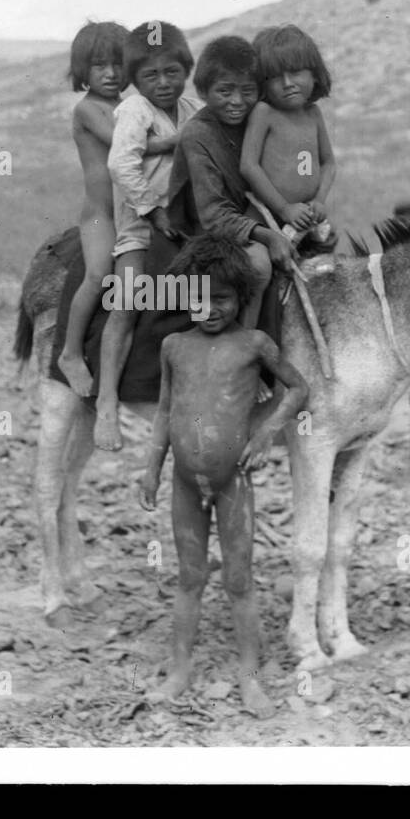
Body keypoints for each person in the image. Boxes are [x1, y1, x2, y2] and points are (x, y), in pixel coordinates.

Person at [138, 234, 309, 719]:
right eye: (199, 297)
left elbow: (298, 389)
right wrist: (151, 469)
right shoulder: (174, 346)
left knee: (239, 582)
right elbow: (166, 410)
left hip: (233, 482)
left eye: (222, 299)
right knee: (189, 578)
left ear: (241, 298)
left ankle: (251, 679)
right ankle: (179, 670)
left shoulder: (254, 345)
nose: (209, 308)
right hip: (184, 485)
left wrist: (264, 435)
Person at [93, 21, 200, 450]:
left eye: (172, 73)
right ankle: (105, 402)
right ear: (135, 79)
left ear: (187, 70)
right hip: (142, 223)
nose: (163, 84)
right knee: (130, 297)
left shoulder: (193, 110)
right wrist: (152, 211)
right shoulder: (134, 111)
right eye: (150, 76)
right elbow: (121, 164)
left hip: (188, 222)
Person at [173, 36, 297, 331]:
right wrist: (268, 237)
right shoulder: (197, 134)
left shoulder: (261, 119)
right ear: (203, 91)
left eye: (247, 91)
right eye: (224, 91)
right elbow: (214, 215)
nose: (237, 101)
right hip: (212, 234)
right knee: (258, 266)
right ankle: (243, 343)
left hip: (259, 220)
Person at [55, 21, 128, 396]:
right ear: (84, 69)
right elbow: (123, 143)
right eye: (100, 65)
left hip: (131, 212)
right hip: (101, 214)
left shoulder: (131, 105)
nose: (111, 73)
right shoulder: (89, 109)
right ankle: (70, 353)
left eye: (118, 63)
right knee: (99, 275)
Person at [238, 24, 338, 255]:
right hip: (266, 218)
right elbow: (248, 166)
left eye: (295, 72)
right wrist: (284, 209)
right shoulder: (264, 112)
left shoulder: (313, 113)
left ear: (314, 73)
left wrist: (320, 200)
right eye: (274, 77)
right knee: (257, 268)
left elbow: (328, 163)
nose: (287, 83)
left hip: (307, 220)